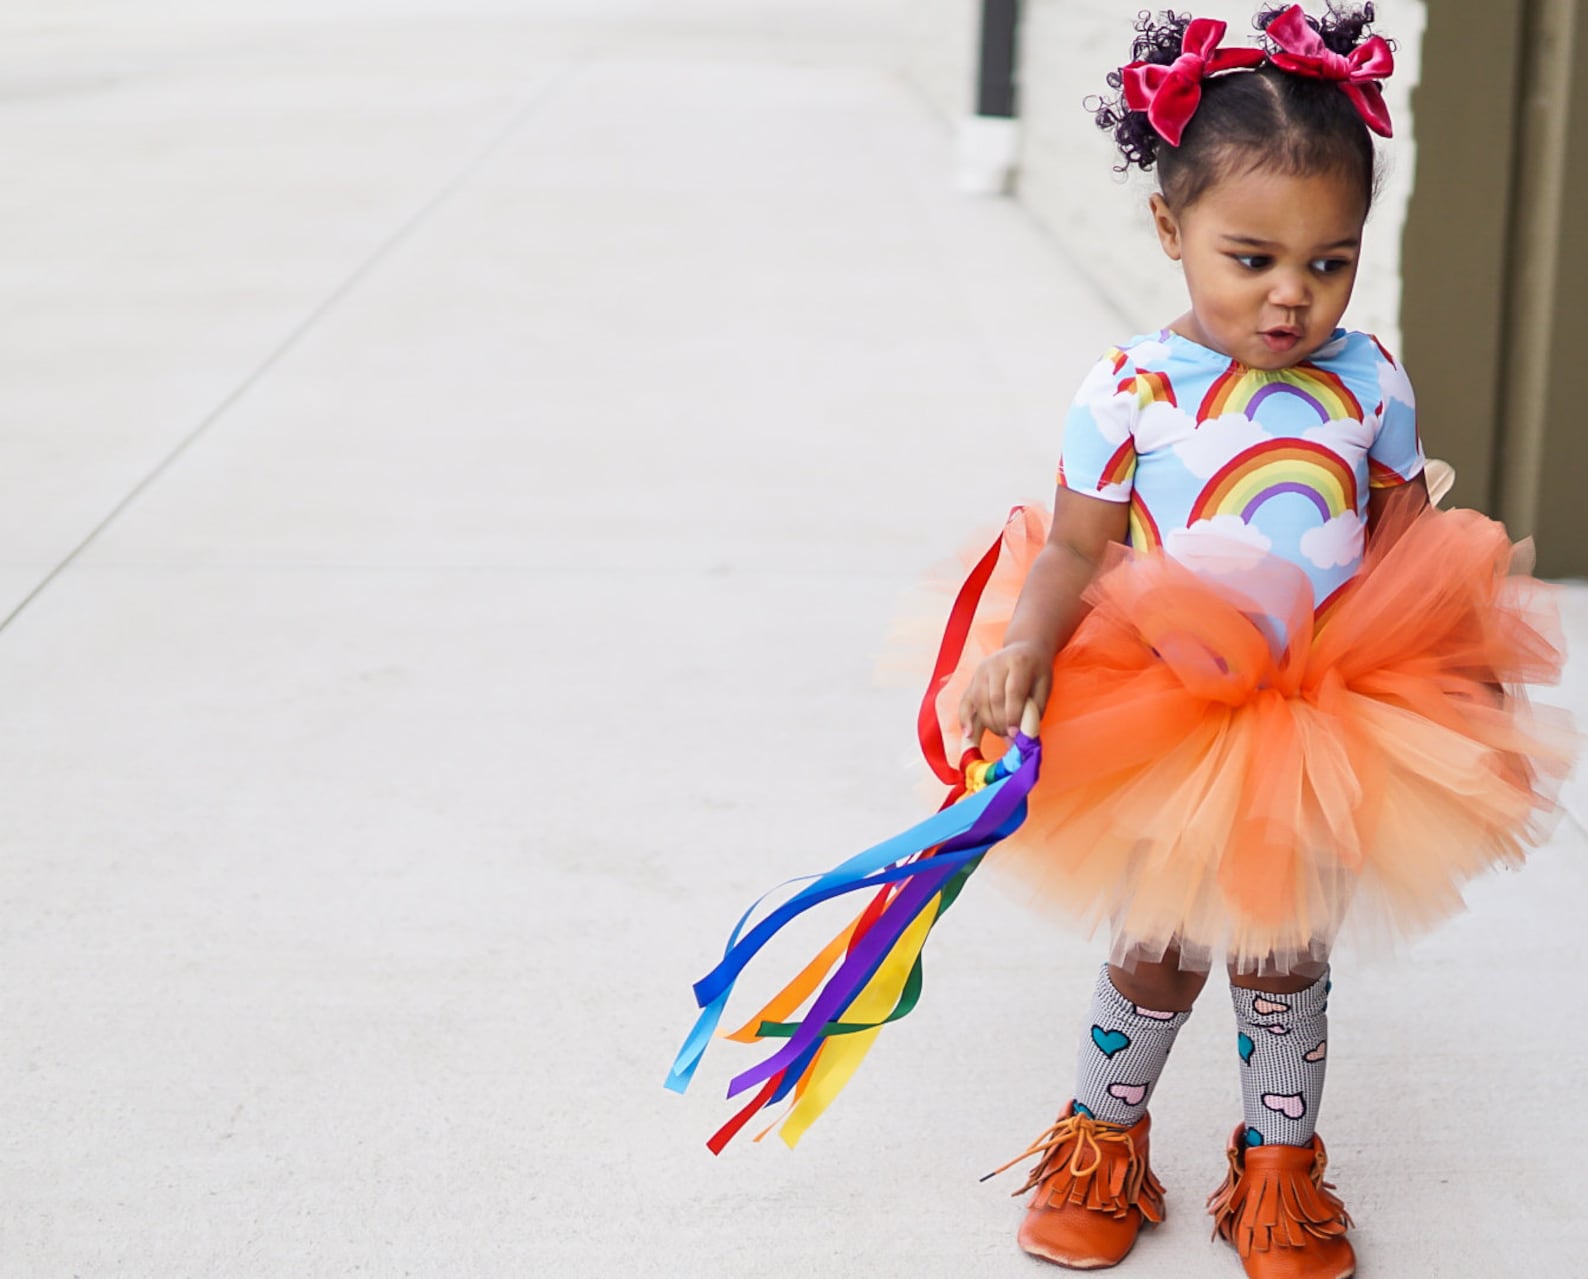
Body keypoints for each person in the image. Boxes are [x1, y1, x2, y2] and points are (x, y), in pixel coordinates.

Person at [942, 6, 1573, 1277]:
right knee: (1160, 941)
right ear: (1171, 230)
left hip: (1328, 706)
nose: (1291, 294)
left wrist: (1456, 649)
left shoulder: (1370, 380)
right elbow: (1076, 547)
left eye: (1329, 263)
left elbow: (1402, 529)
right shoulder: (1130, 387)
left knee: (1286, 951)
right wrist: (1022, 644)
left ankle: (1278, 1169)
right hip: (1172, 701)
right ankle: (1101, 1139)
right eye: (1250, 257)